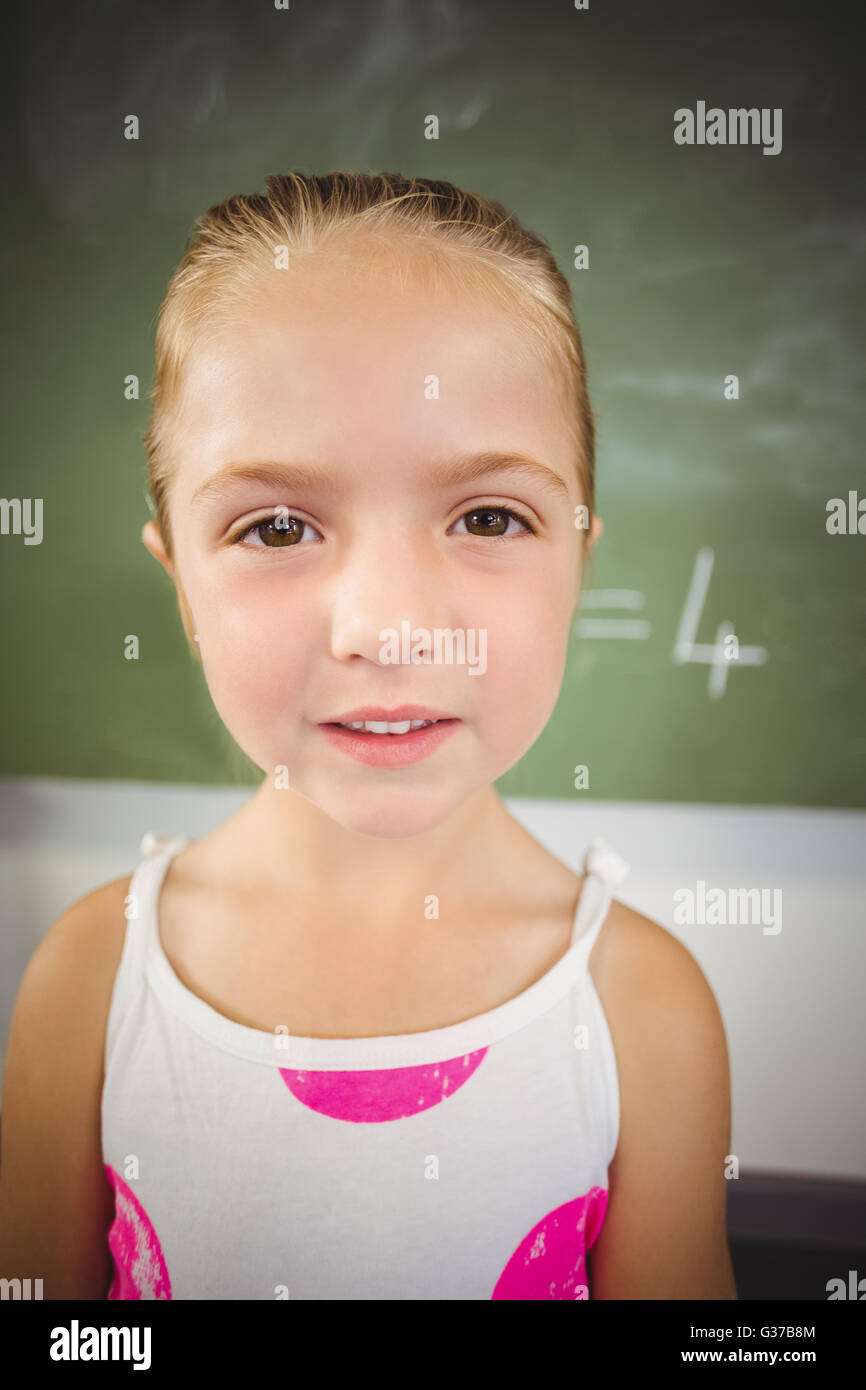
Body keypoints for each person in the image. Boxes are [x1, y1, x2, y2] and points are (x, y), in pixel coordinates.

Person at [0, 172, 736, 1299]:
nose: (389, 628)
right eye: (277, 525)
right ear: (182, 587)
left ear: (578, 557)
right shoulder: (89, 983)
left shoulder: (641, 1009)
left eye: (488, 516)